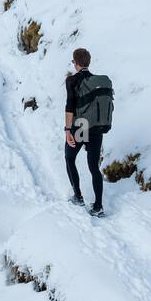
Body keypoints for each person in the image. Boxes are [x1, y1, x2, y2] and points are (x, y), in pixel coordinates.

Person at [64, 47, 113, 218]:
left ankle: (78, 196)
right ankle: (98, 206)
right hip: (96, 127)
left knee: (70, 157)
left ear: (75, 63)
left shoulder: (72, 81)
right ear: (88, 62)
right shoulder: (97, 82)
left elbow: (70, 106)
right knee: (94, 167)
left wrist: (68, 130)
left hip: (81, 126)